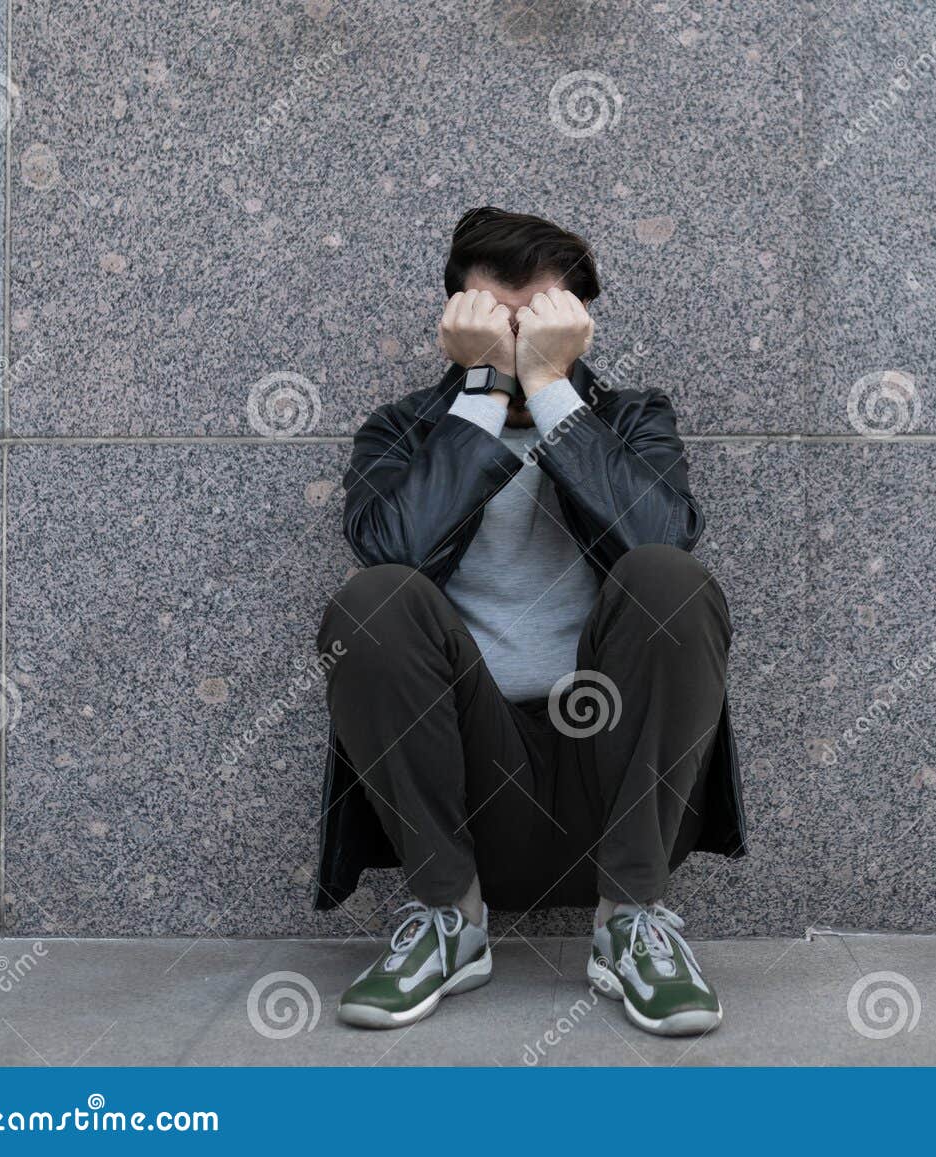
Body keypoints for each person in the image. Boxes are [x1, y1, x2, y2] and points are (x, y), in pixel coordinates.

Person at [311, 207, 747, 1037]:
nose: (515, 341)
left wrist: (551, 391)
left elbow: (660, 542)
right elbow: (392, 553)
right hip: (467, 792)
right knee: (371, 603)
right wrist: (483, 391)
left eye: (536, 321)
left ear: (578, 325)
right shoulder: (402, 431)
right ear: (456, 322)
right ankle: (447, 919)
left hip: (616, 788)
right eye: (494, 322)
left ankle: (632, 923)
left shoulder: (631, 419)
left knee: (671, 578)